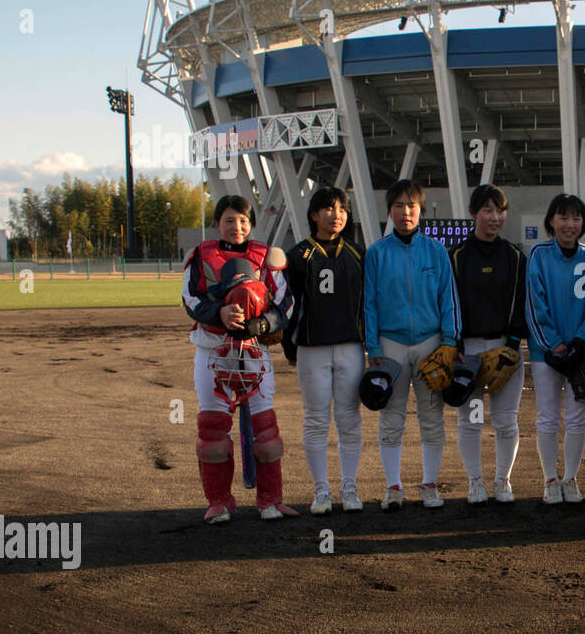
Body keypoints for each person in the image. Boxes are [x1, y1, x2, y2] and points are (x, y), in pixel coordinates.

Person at [182, 195, 295, 522]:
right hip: (212, 347)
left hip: (254, 350)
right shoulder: (201, 255)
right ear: (218, 223)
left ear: (251, 223)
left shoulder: (266, 256)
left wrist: (263, 323)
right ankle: (219, 502)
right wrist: (219, 312)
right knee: (213, 429)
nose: (237, 226)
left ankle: (270, 500)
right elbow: (190, 300)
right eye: (230, 220)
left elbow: (285, 303)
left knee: (265, 428)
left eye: (243, 220)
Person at [363, 180, 461, 510]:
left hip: (431, 343)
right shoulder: (376, 253)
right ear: (389, 210)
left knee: (432, 416)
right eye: (399, 206)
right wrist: (373, 349)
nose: (406, 212)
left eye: (412, 206)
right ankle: (393, 487)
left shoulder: (436, 251)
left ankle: (430, 484)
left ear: (420, 210)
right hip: (389, 345)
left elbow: (448, 298)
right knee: (392, 416)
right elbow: (369, 304)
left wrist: (449, 340)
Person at [283, 187, 366, 515]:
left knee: (349, 419)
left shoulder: (358, 254)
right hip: (312, 348)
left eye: (342, 209)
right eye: (329, 208)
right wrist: (291, 345)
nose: (337, 214)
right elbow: (287, 305)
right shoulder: (298, 255)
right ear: (314, 214)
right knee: (316, 419)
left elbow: (366, 305)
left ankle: (349, 486)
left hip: (349, 346)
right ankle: (321, 490)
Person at [449, 184, 528, 504]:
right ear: (473, 213)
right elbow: (448, 303)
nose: (495, 217)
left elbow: (522, 302)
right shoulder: (456, 256)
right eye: (487, 211)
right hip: (467, 351)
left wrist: (512, 341)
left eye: (500, 211)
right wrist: (453, 344)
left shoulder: (514, 256)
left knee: (506, 420)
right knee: (472, 420)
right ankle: (476, 482)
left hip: (504, 348)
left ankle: (502, 481)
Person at [525, 193, 585, 505]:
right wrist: (554, 345)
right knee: (548, 417)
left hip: (581, 352)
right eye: (564, 217)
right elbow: (535, 303)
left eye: (576, 218)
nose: (570, 224)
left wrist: (581, 342)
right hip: (546, 354)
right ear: (551, 221)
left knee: (579, 418)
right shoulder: (538, 254)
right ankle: (549, 479)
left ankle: (570, 477)